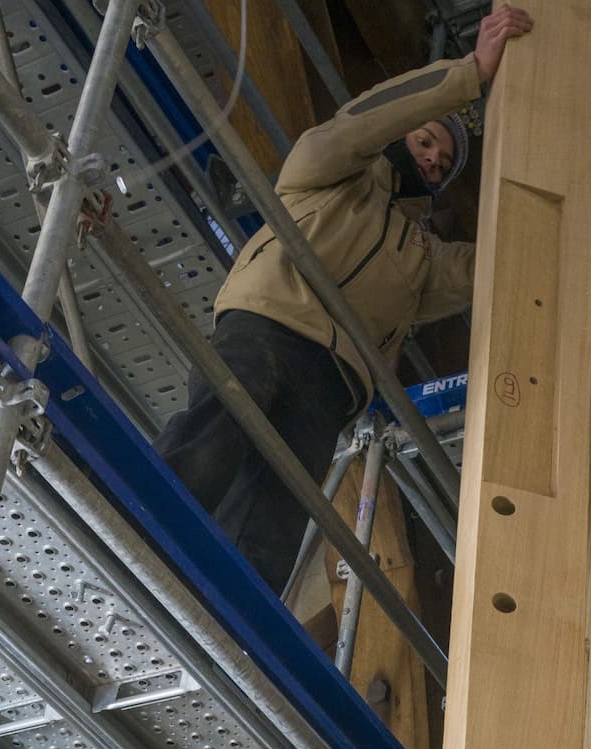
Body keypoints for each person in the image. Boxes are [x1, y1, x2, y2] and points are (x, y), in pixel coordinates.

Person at [154, 6, 534, 597]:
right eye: (428, 140)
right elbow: (364, 122)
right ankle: (147, 527)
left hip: (332, 384)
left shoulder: (421, 258)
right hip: (270, 324)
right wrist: (467, 76)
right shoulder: (324, 174)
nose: (433, 160)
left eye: (444, 163)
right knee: (220, 430)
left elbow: (491, 263)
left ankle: (236, 614)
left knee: (278, 510)